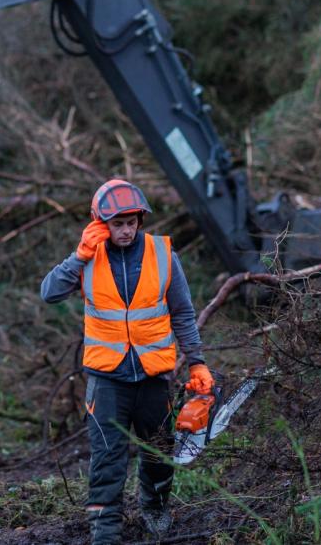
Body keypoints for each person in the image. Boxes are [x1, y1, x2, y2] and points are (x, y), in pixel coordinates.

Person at [41, 179, 215, 544]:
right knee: (107, 459)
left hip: (153, 377)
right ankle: (105, 533)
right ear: (99, 222)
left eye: (131, 222)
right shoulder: (88, 257)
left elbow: (182, 312)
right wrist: (79, 256)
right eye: (117, 223)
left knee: (159, 451)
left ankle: (154, 508)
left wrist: (197, 362)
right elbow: (49, 293)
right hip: (107, 380)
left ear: (140, 221)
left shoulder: (163, 254)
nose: (124, 230)